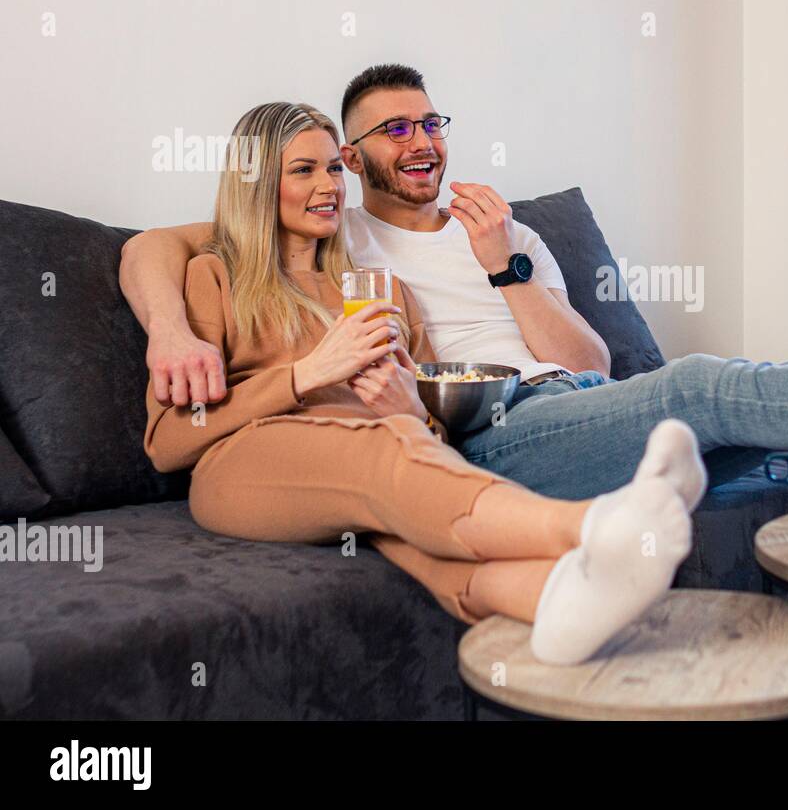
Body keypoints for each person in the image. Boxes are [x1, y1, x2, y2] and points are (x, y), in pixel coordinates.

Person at [122, 64, 788, 502]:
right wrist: (171, 324)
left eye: (430, 121)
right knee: (711, 386)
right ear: (350, 157)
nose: (420, 141)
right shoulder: (335, 223)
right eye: (391, 129)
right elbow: (164, 242)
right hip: (483, 430)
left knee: (760, 435)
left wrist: (506, 267)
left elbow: (592, 363)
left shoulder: (512, 230)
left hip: (569, 402)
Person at [141, 100, 709, 666]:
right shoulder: (213, 275)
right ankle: (594, 527)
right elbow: (167, 443)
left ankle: (553, 604)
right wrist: (305, 375)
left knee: (407, 505)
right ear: (259, 184)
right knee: (381, 451)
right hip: (246, 466)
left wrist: (413, 408)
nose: (329, 185)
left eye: (334, 168)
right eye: (303, 170)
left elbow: (433, 428)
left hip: (375, 459)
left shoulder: (380, 290)